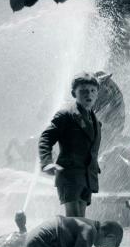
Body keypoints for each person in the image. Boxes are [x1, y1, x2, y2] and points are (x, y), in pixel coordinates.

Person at [38, 72, 103, 218]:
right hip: (70, 175)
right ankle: (70, 240)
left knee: (81, 219)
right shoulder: (65, 115)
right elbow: (45, 138)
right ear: (74, 93)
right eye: (83, 90)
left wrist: (95, 164)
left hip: (87, 176)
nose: (89, 94)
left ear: (97, 94)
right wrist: (46, 162)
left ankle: (79, 241)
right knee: (74, 219)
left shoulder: (94, 119)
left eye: (92, 90)